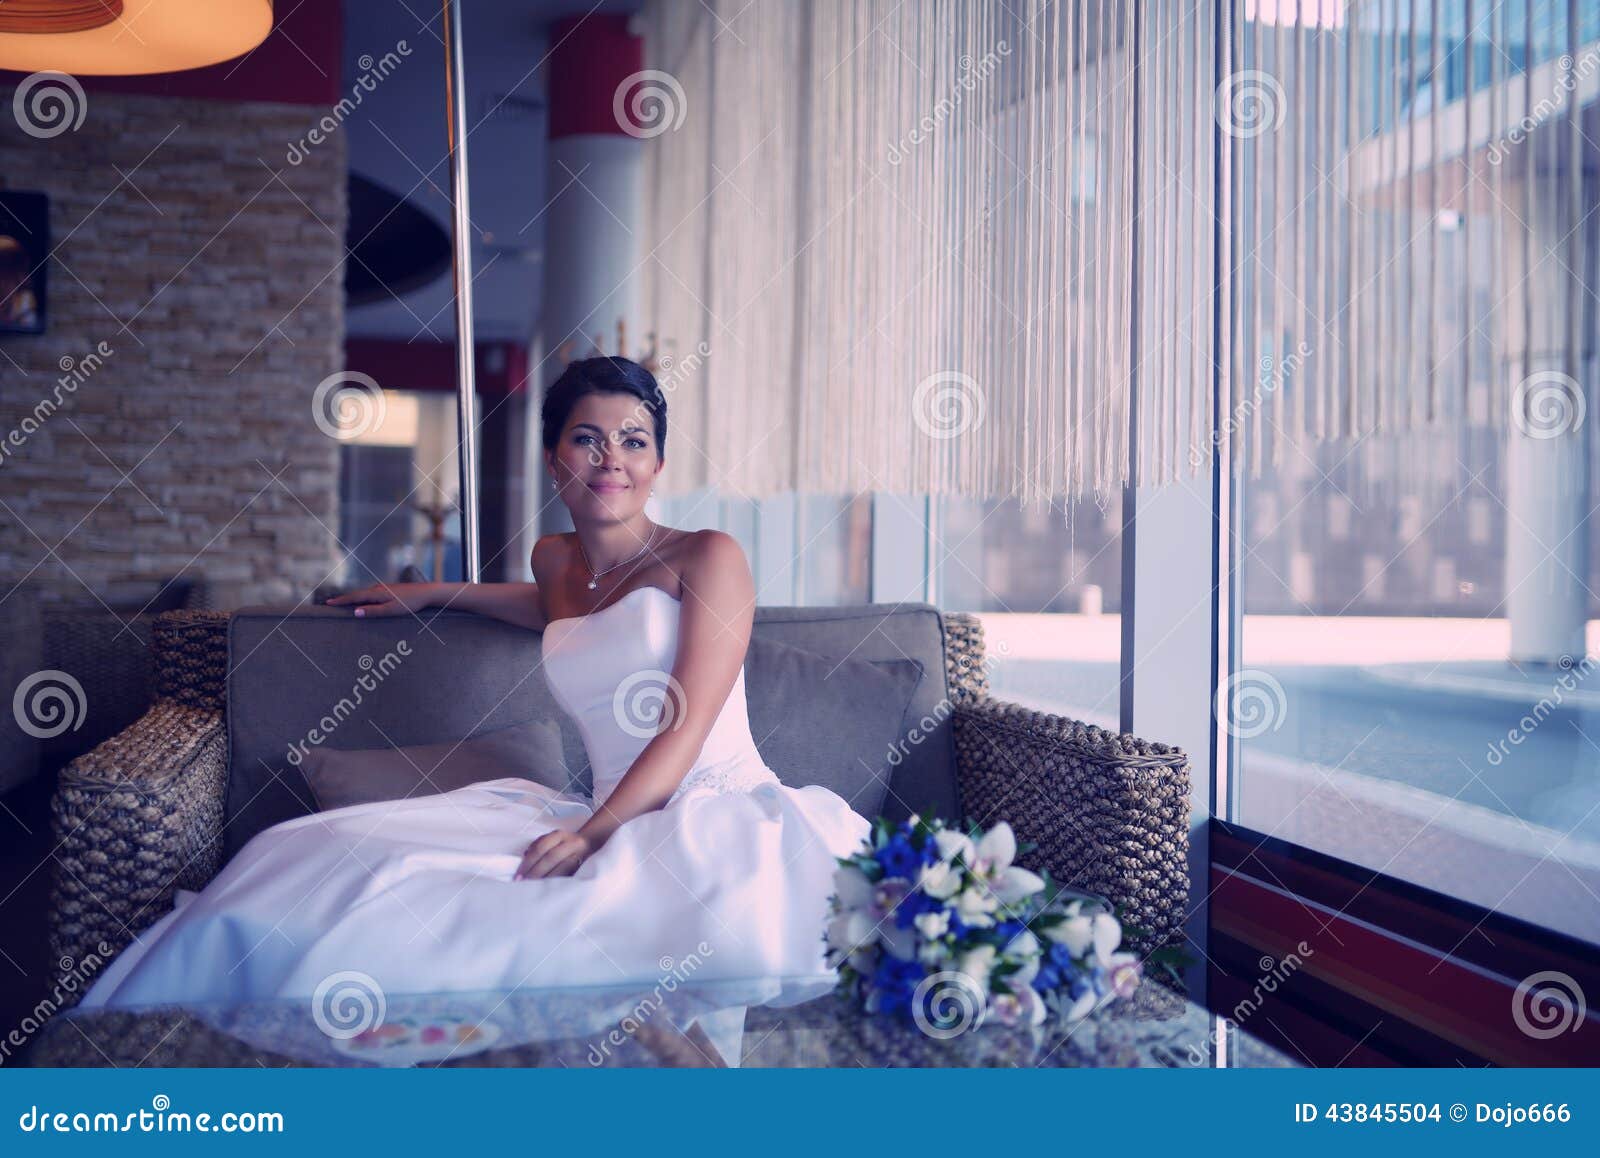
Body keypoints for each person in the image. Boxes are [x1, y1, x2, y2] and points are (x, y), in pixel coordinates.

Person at [79, 356, 870, 1010]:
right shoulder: (555, 561)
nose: (611, 459)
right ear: (554, 459)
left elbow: (684, 726)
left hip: (710, 815)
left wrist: (594, 836)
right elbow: (564, 614)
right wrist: (433, 592)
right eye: (587, 439)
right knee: (321, 862)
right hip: (596, 807)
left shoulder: (709, 556)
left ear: (657, 463)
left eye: (634, 441)